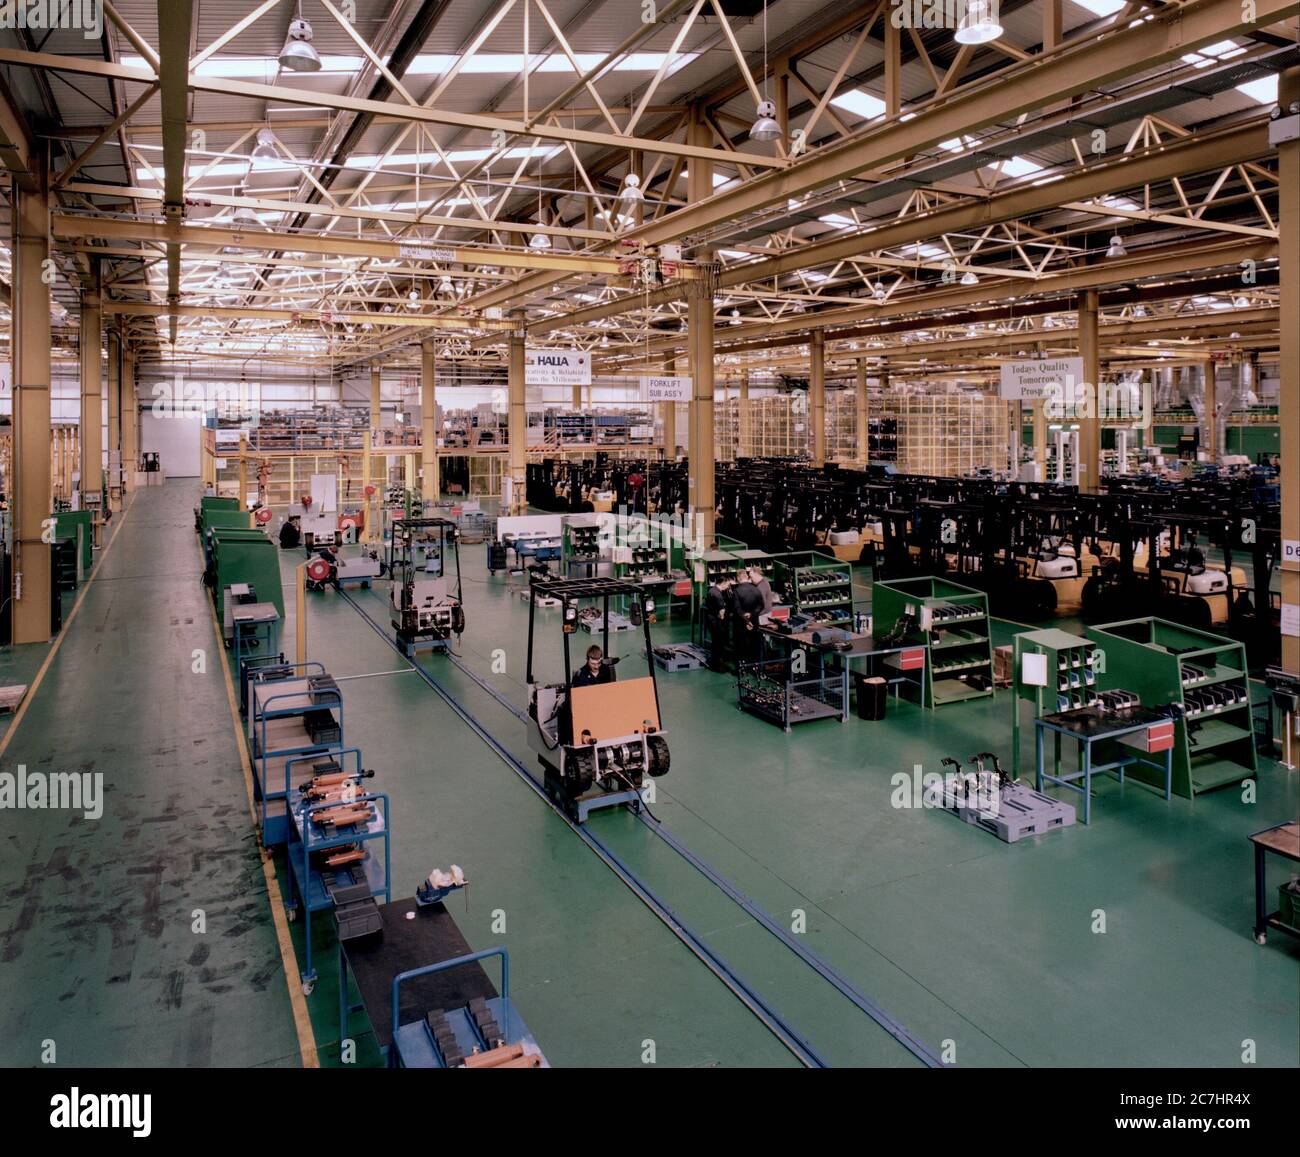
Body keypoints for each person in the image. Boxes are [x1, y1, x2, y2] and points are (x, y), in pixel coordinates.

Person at [731, 571, 766, 664]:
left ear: (738, 579)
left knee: (740, 645)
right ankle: (755, 665)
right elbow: (761, 605)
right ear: (747, 577)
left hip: (740, 623)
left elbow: (737, 609)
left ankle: (741, 666)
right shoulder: (756, 589)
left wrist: (746, 619)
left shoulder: (736, 591)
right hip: (754, 621)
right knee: (754, 643)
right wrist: (751, 614)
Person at [703, 577, 733, 672]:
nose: (728, 587)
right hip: (716, 622)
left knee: (715, 642)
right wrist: (723, 617)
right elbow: (721, 611)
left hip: (711, 620)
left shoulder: (711, 590)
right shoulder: (718, 594)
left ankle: (714, 662)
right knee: (719, 643)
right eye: (727, 585)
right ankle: (718, 665)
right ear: (723, 583)